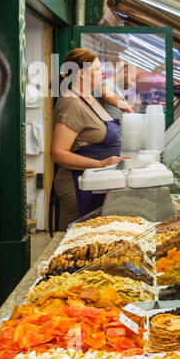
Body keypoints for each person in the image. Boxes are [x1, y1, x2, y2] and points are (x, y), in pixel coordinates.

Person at [50, 48, 124, 230]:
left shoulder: (91, 99)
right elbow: (58, 153)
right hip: (77, 187)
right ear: (82, 74)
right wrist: (101, 164)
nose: (104, 73)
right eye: (98, 69)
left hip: (95, 183)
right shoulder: (71, 103)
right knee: (76, 248)